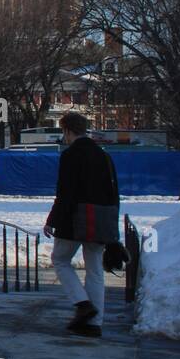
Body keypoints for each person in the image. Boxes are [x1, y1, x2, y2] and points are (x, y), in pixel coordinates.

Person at [44, 112, 119, 339]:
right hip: (100, 221)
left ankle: (82, 303)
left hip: (74, 220)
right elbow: (113, 193)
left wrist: (52, 221)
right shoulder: (104, 156)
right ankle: (95, 324)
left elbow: (65, 192)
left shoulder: (70, 156)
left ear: (67, 130)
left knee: (60, 259)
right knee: (95, 270)